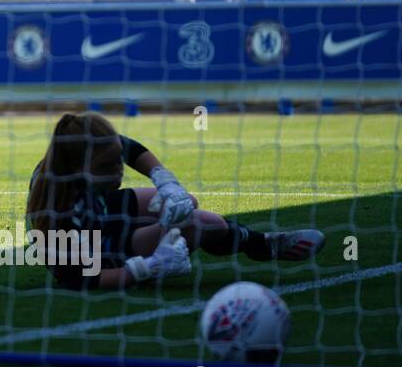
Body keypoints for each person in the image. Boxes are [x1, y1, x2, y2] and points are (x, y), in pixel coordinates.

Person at [26, 112, 325, 290]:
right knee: (201, 223)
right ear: (80, 168)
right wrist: (147, 267)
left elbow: (130, 149)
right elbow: (78, 280)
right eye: (107, 167)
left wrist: (165, 181)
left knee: (185, 202)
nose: (119, 169)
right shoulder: (58, 212)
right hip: (100, 251)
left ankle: (257, 241)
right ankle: (264, 245)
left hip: (102, 216)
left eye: (118, 161)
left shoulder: (78, 152)